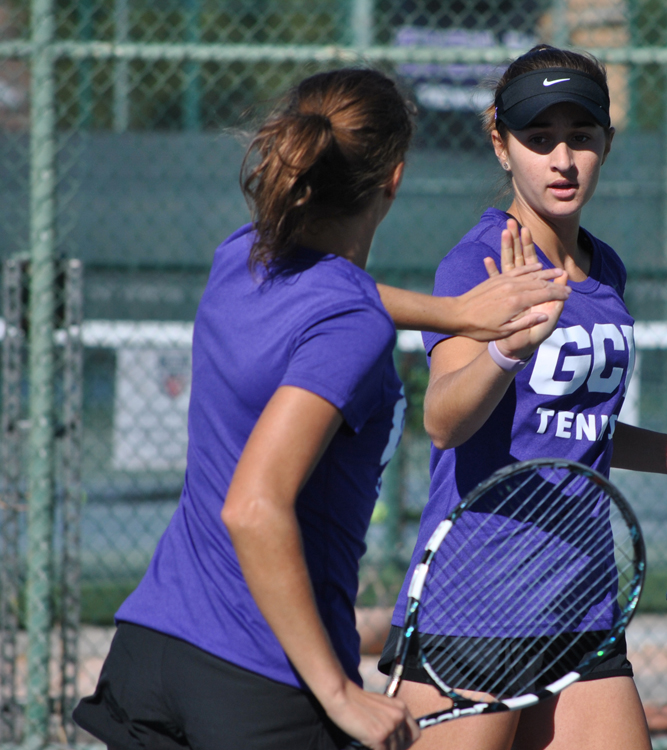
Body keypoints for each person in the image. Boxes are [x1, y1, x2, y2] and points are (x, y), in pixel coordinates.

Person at [72, 68, 570, 750]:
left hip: (150, 653)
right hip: (260, 684)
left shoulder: (241, 258)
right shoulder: (349, 326)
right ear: (393, 178)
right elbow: (252, 506)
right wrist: (340, 696)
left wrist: (457, 314)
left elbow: (349, 297)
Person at [377, 46, 667, 750]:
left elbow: (572, 431)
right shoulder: (479, 261)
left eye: (581, 138)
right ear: (500, 143)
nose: (562, 159)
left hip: (583, 604)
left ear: (606, 143)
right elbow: (444, 421)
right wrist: (507, 349)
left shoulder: (605, 267)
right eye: (539, 138)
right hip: (479, 602)